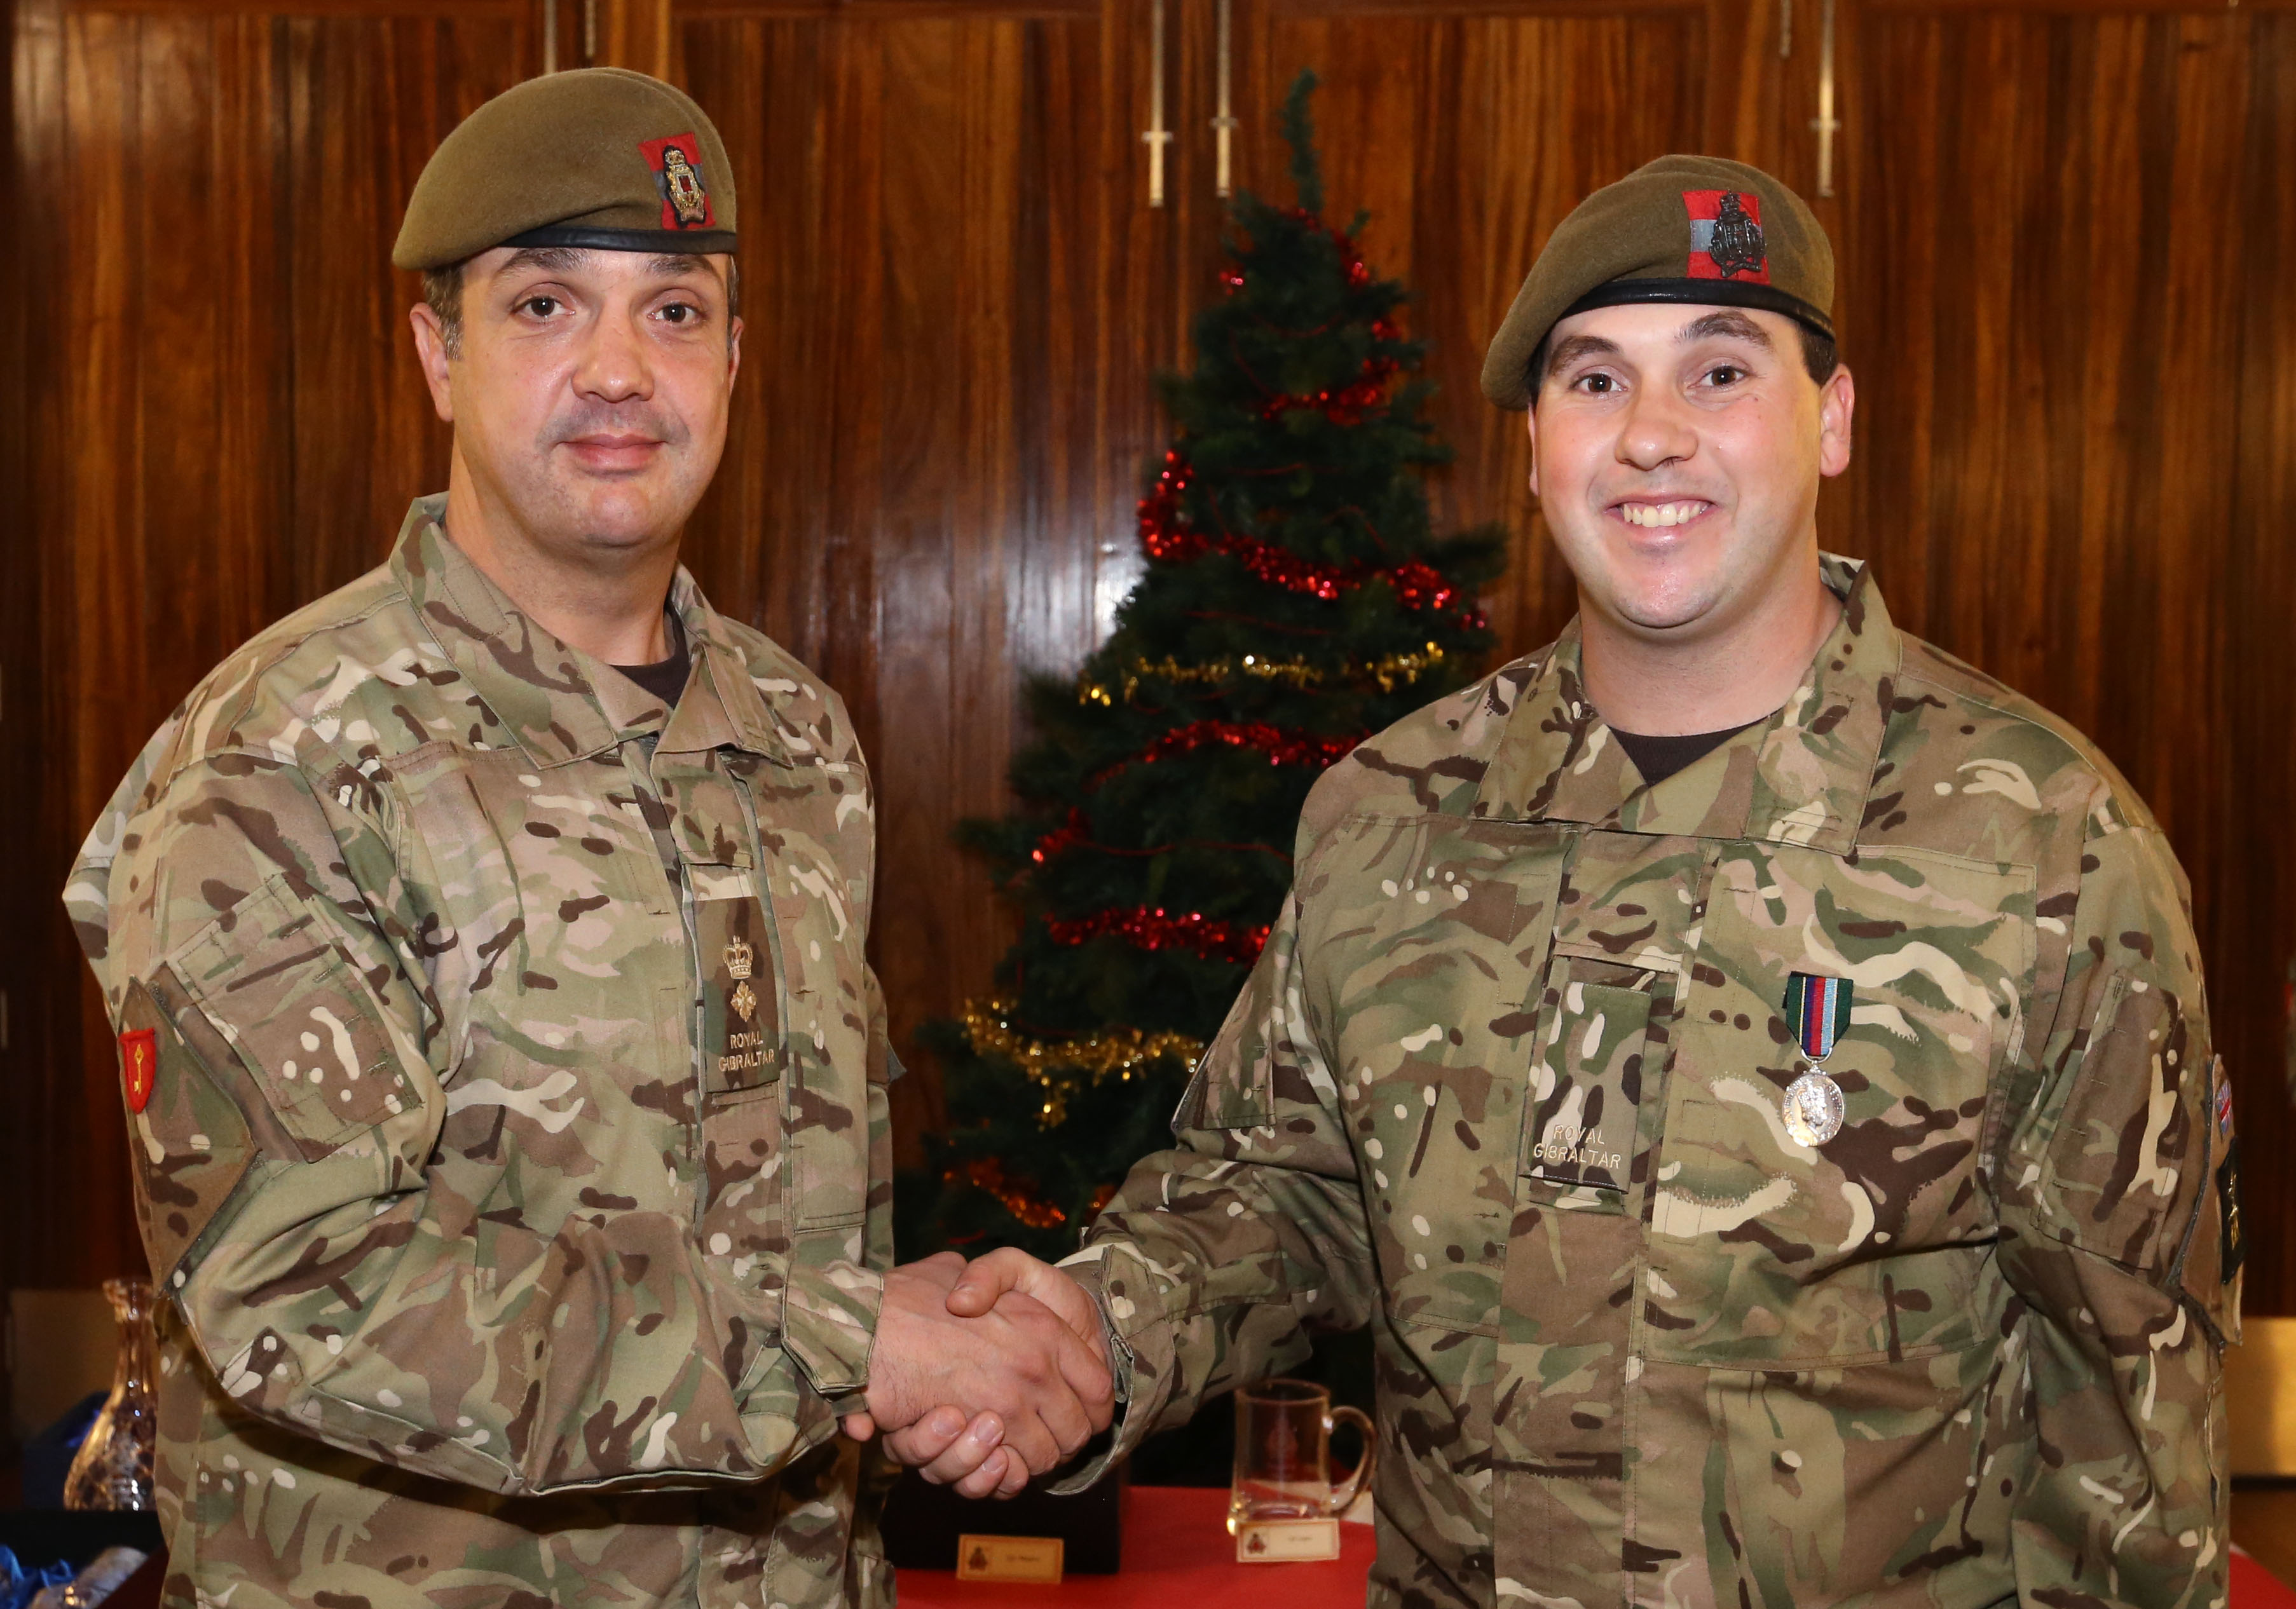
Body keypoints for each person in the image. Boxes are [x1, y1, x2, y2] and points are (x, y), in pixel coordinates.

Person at [915, 156, 2240, 1605]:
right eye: (1595, 382)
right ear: (1538, 444)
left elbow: (2126, 1418)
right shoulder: (1389, 816)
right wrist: (1091, 1336)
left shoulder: (2044, 845)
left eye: (1719, 371)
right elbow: (1279, 1192)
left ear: (1835, 419)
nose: (1652, 438)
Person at [64, 67, 1107, 1608]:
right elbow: (308, 1288)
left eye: (674, 312)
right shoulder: (283, 755)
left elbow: (763, 1218)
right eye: (546, 306)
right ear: (437, 356)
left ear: (738, 360)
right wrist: (848, 1347)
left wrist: (920, 1333)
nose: (620, 369)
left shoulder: (798, 737)